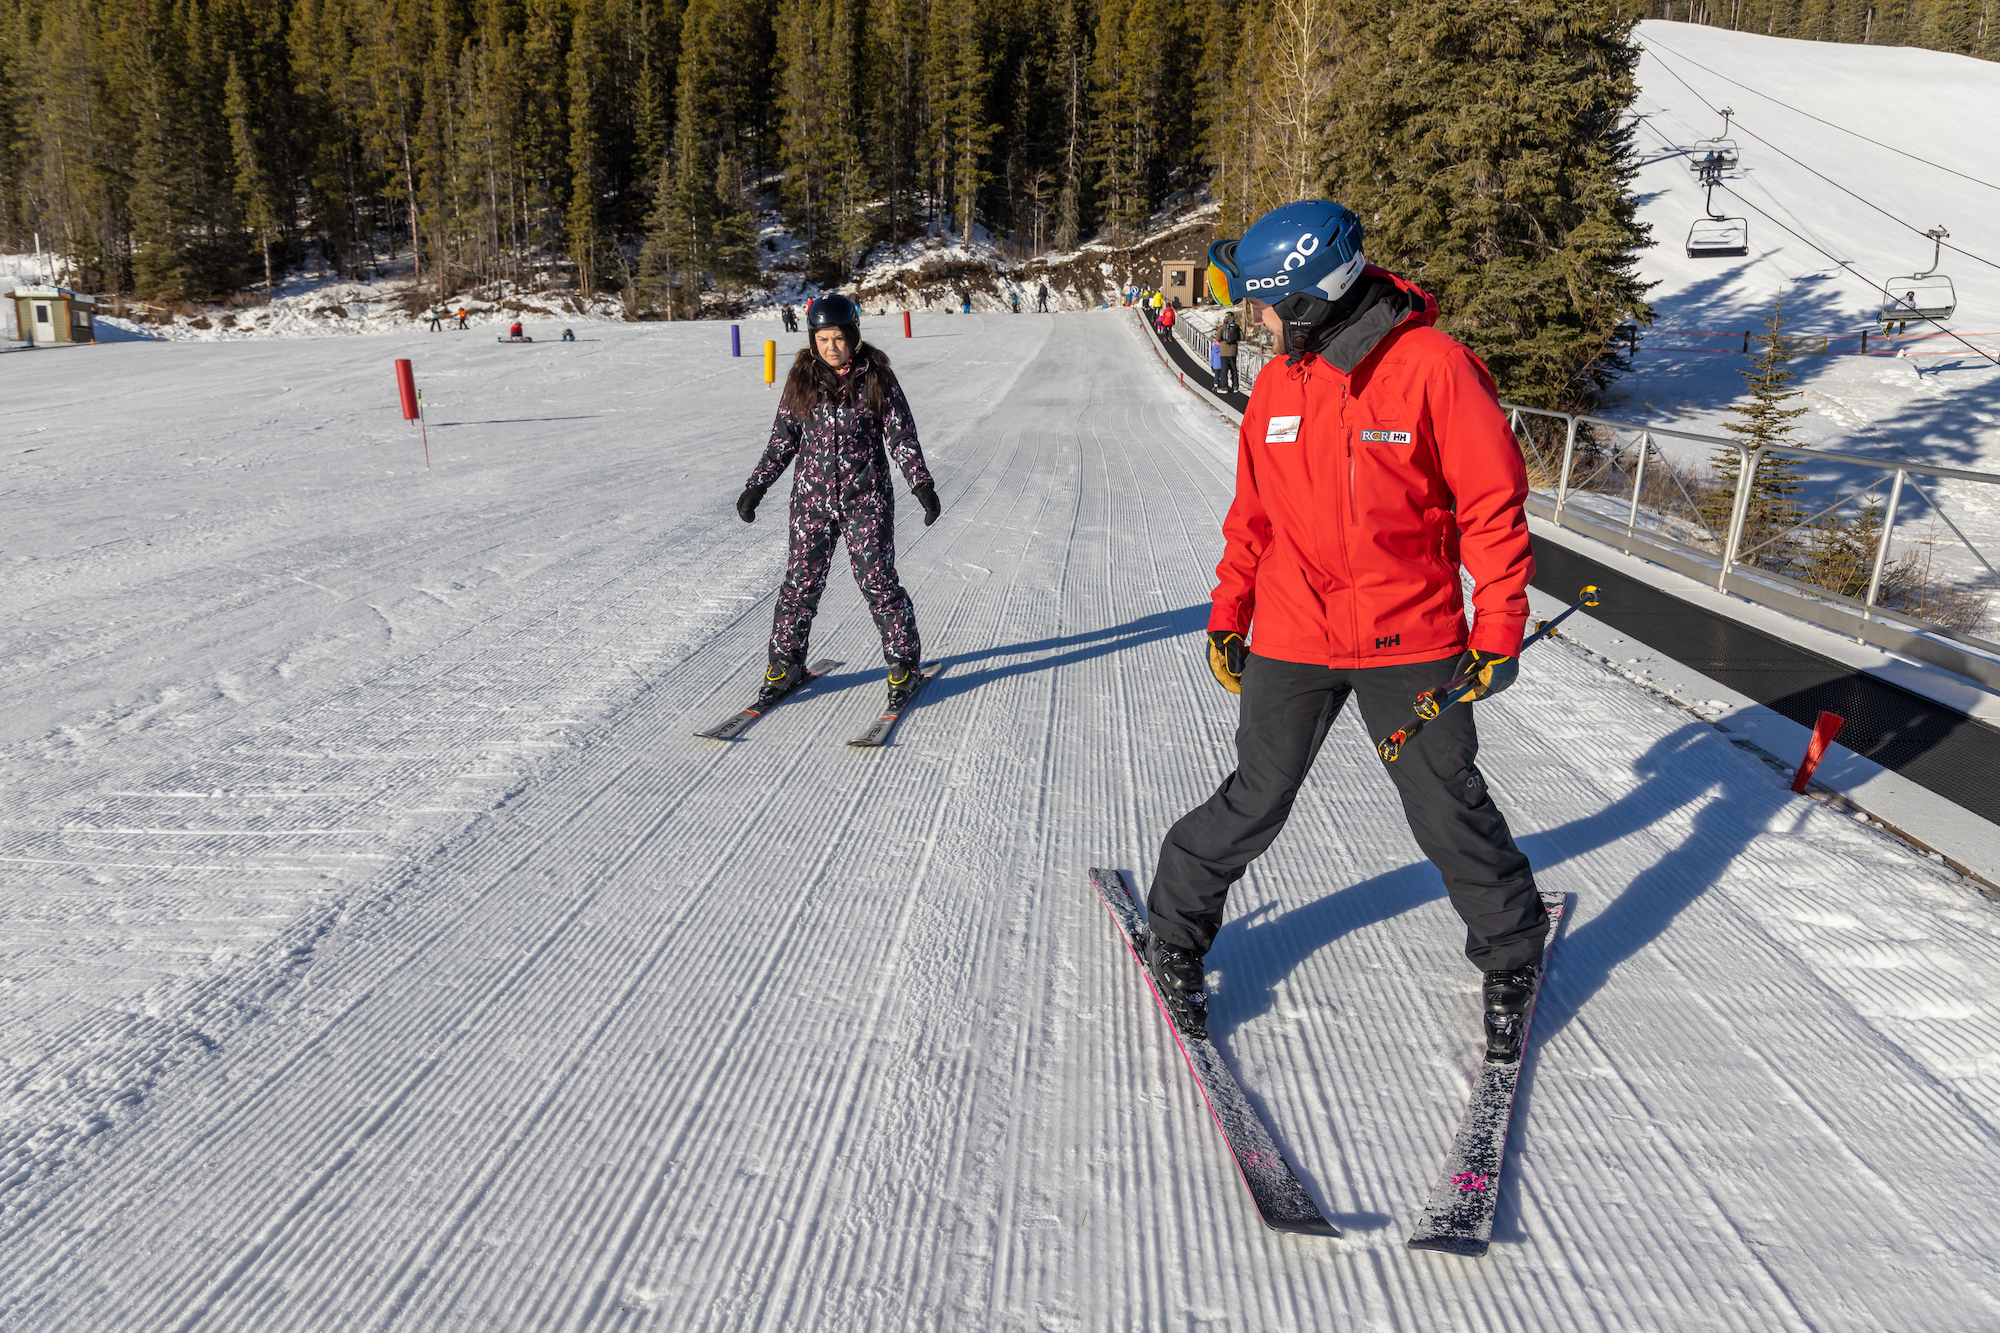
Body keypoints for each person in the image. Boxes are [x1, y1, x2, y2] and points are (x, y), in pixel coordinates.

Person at [1144, 198, 1549, 1064]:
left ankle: (1514, 956)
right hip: (1294, 629)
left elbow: (1492, 507)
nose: (1252, 316)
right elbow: (1252, 515)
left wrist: (1499, 627)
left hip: (1413, 633)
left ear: (1308, 296)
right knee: (1257, 795)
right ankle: (1173, 933)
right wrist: (1229, 612)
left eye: (1263, 300)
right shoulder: (1280, 386)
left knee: (1444, 805)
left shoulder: (1434, 368)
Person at [735, 293, 942, 708]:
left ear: (854, 337)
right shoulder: (802, 379)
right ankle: (785, 663)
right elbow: (783, 441)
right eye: (823, 338)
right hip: (810, 503)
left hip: (865, 501)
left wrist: (921, 485)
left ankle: (903, 664)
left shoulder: (875, 378)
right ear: (813, 340)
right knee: (800, 584)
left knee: (877, 582)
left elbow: (900, 435)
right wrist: (757, 485)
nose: (831, 346)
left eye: (839, 338)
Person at [1216, 309, 1241, 393]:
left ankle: (1224, 387)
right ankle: (1235, 386)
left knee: (1224, 369)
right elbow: (1242, 337)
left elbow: (1217, 338)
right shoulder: (1236, 327)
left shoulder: (1222, 327)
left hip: (1224, 351)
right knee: (1234, 369)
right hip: (1233, 351)